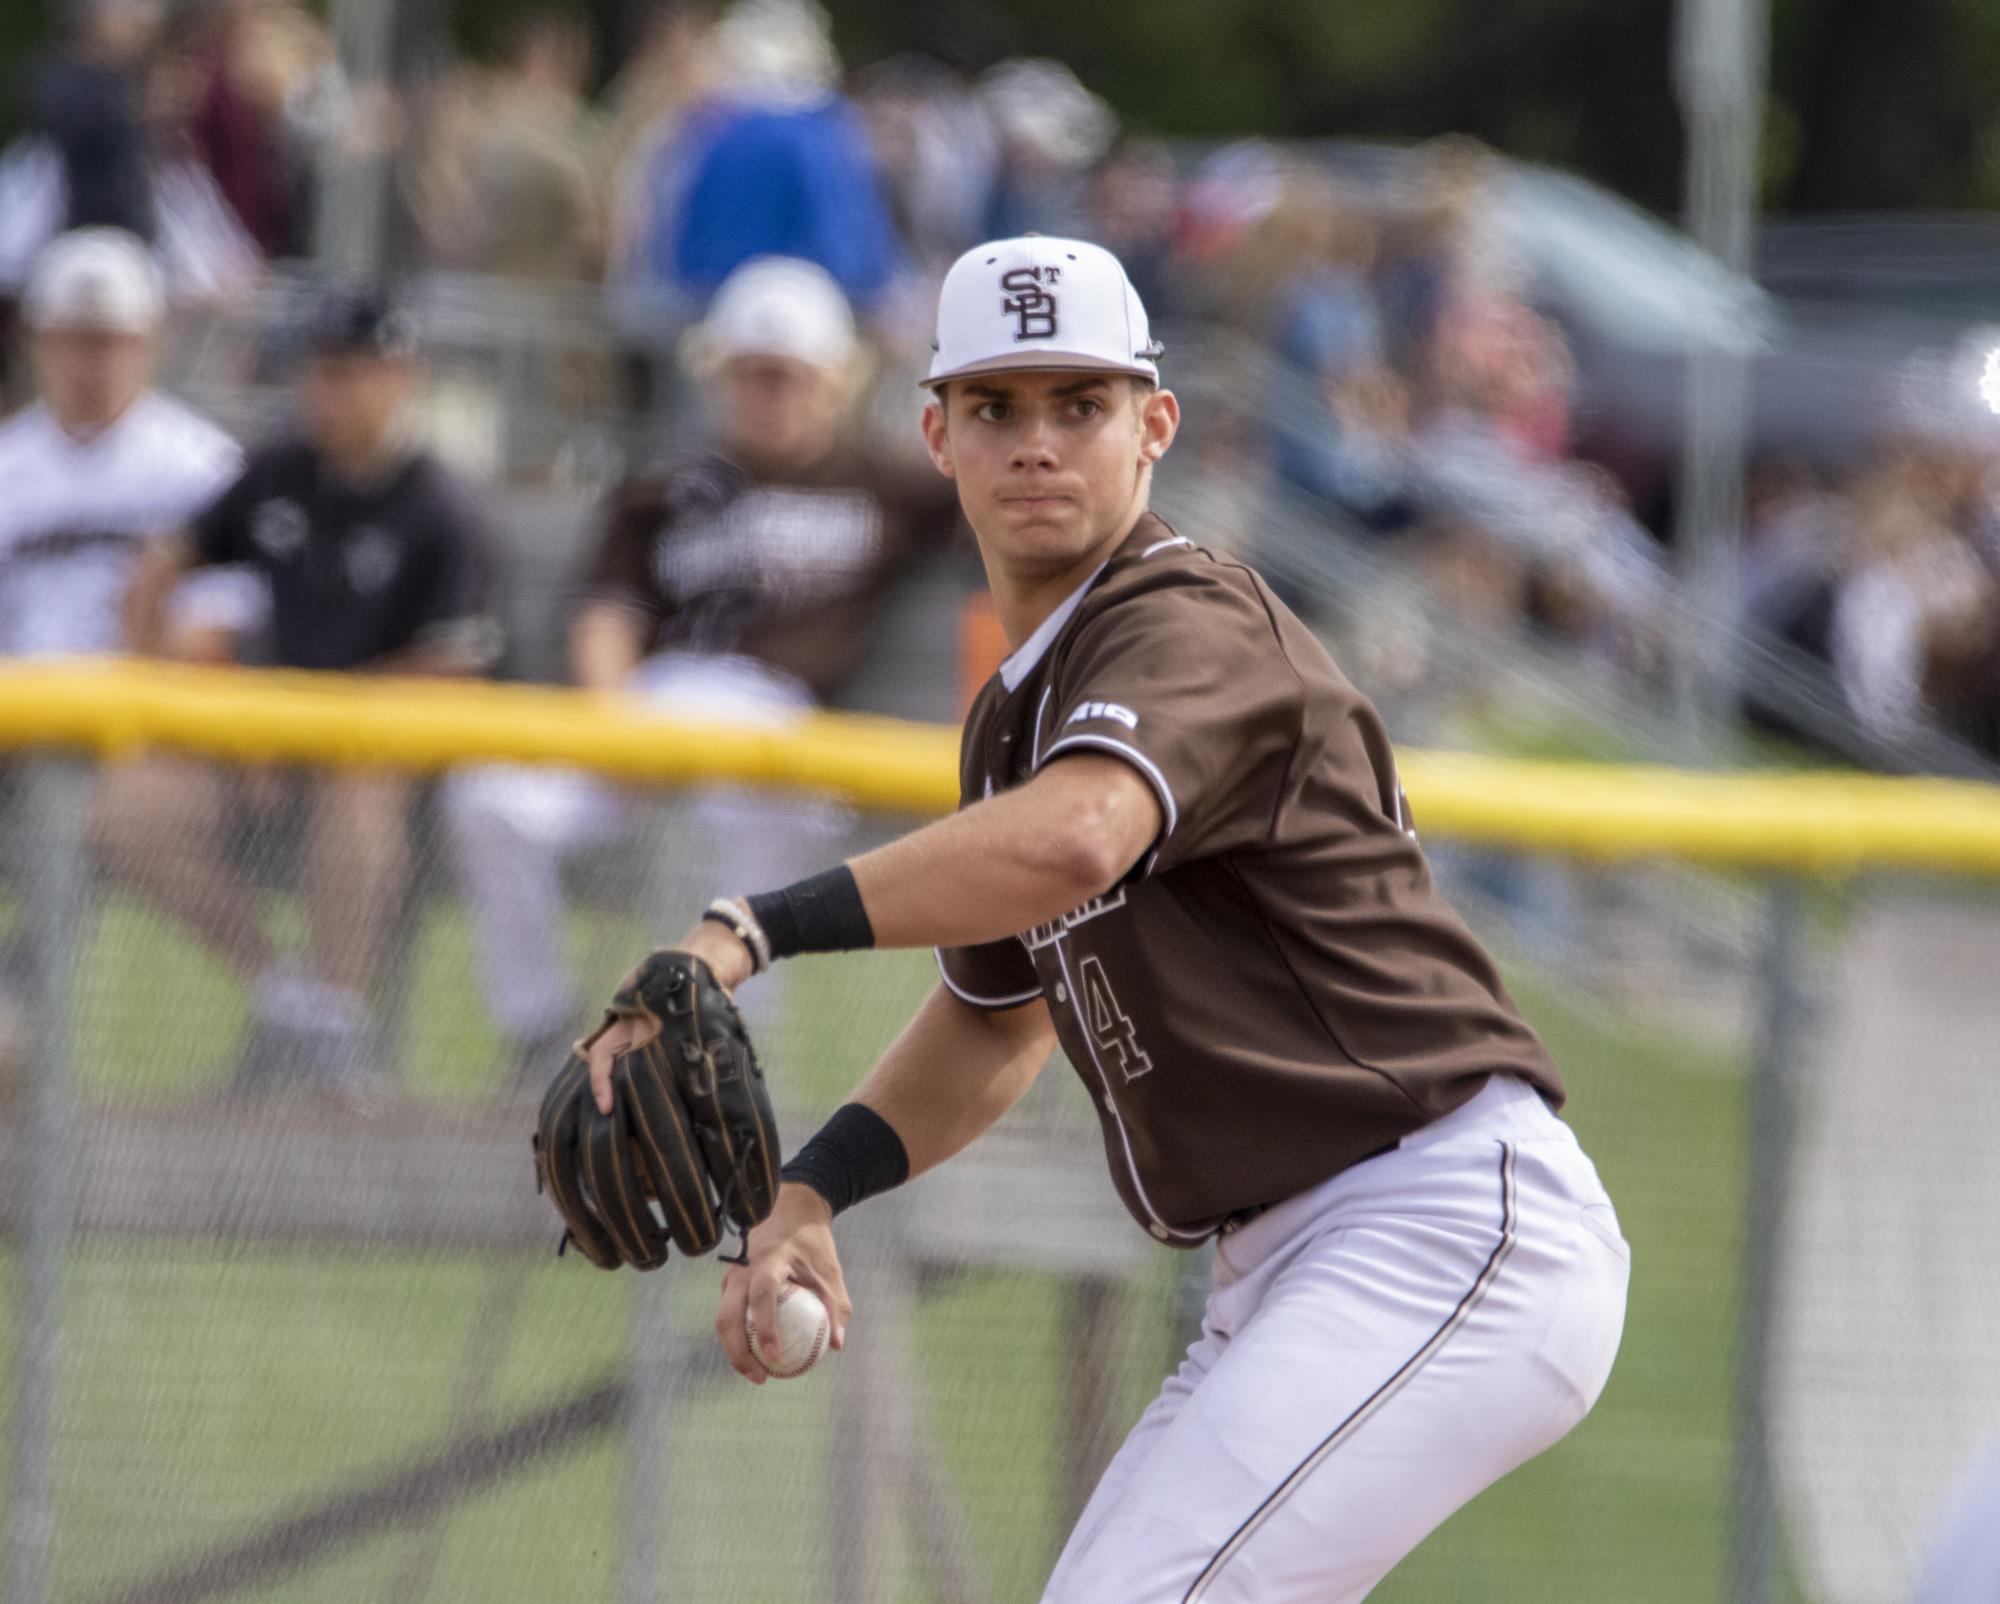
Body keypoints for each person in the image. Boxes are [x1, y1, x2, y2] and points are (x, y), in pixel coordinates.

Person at [583, 236, 1631, 1601]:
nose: (1038, 445)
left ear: (1154, 426)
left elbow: (1080, 837)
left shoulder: (1180, 618)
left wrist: (746, 929)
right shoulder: (1022, 707)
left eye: (1079, 405)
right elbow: (994, 1023)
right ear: (936, 434)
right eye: (998, 409)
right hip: (1295, 1261)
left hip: (1433, 1220)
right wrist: (808, 1190)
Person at [444, 255, 958, 1078]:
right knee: (491, 802)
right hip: (650, 708)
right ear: (717, 377)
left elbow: (1005, 508)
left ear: (837, 381)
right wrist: (616, 734)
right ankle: (537, 1033)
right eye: (751, 375)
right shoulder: (666, 489)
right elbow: (607, 616)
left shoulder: (884, 484)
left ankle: (728, 1064)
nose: (770, 394)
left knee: (764, 828)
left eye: (789, 376)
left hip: (775, 726)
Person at [96, 289, 500, 1098]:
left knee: (357, 792)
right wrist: (166, 693)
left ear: (399, 377)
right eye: (320, 371)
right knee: (128, 808)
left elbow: (450, 673)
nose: (330, 391)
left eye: (353, 373)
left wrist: (301, 730)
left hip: (383, 755)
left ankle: (339, 1028)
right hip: (269, 737)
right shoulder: (281, 471)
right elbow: (157, 570)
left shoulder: (439, 503)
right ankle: (294, 1003)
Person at [0, 228, 248, 661]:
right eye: (75, 340)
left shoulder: (205, 465)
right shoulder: (9, 463)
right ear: (38, 340)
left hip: (148, 707)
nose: (94, 363)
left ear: (153, 341)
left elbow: (228, 614)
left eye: (113, 342)